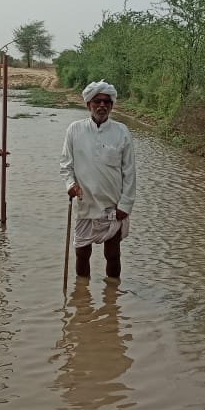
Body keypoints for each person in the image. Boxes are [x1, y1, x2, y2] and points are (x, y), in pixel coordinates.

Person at [59, 80, 136, 279]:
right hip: (85, 204)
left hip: (113, 206)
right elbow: (66, 165)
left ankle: (113, 292)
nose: (102, 105)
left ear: (112, 106)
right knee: (82, 253)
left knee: (113, 254)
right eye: (97, 101)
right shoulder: (74, 130)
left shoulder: (122, 131)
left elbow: (129, 172)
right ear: (88, 105)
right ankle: (82, 292)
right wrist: (70, 185)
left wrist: (125, 205)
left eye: (107, 102)